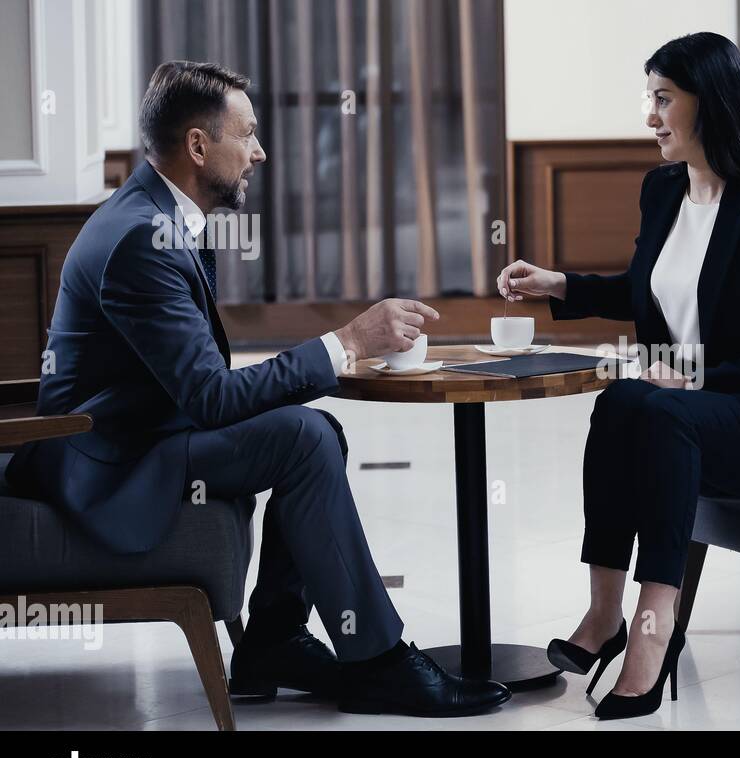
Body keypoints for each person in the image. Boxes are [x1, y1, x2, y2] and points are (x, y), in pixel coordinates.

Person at [5, 61, 510, 718]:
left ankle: (275, 637)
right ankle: (379, 661)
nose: (260, 151)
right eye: (246, 134)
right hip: (107, 463)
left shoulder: (155, 216)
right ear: (197, 146)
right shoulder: (140, 238)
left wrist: (334, 351)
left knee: (314, 431)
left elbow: (196, 385)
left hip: (140, 436)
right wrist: (346, 342)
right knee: (303, 435)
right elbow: (210, 398)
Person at [496, 33, 740, 720]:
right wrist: (560, 284)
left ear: (709, 102)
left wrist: (698, 377)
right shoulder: (663, 190)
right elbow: (647, 290)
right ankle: (604, 615)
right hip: (688, 406)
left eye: (663, 99)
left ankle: (653, 631)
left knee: (656, 409)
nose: (651, 116)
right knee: (622, 399)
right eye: (649, 99)